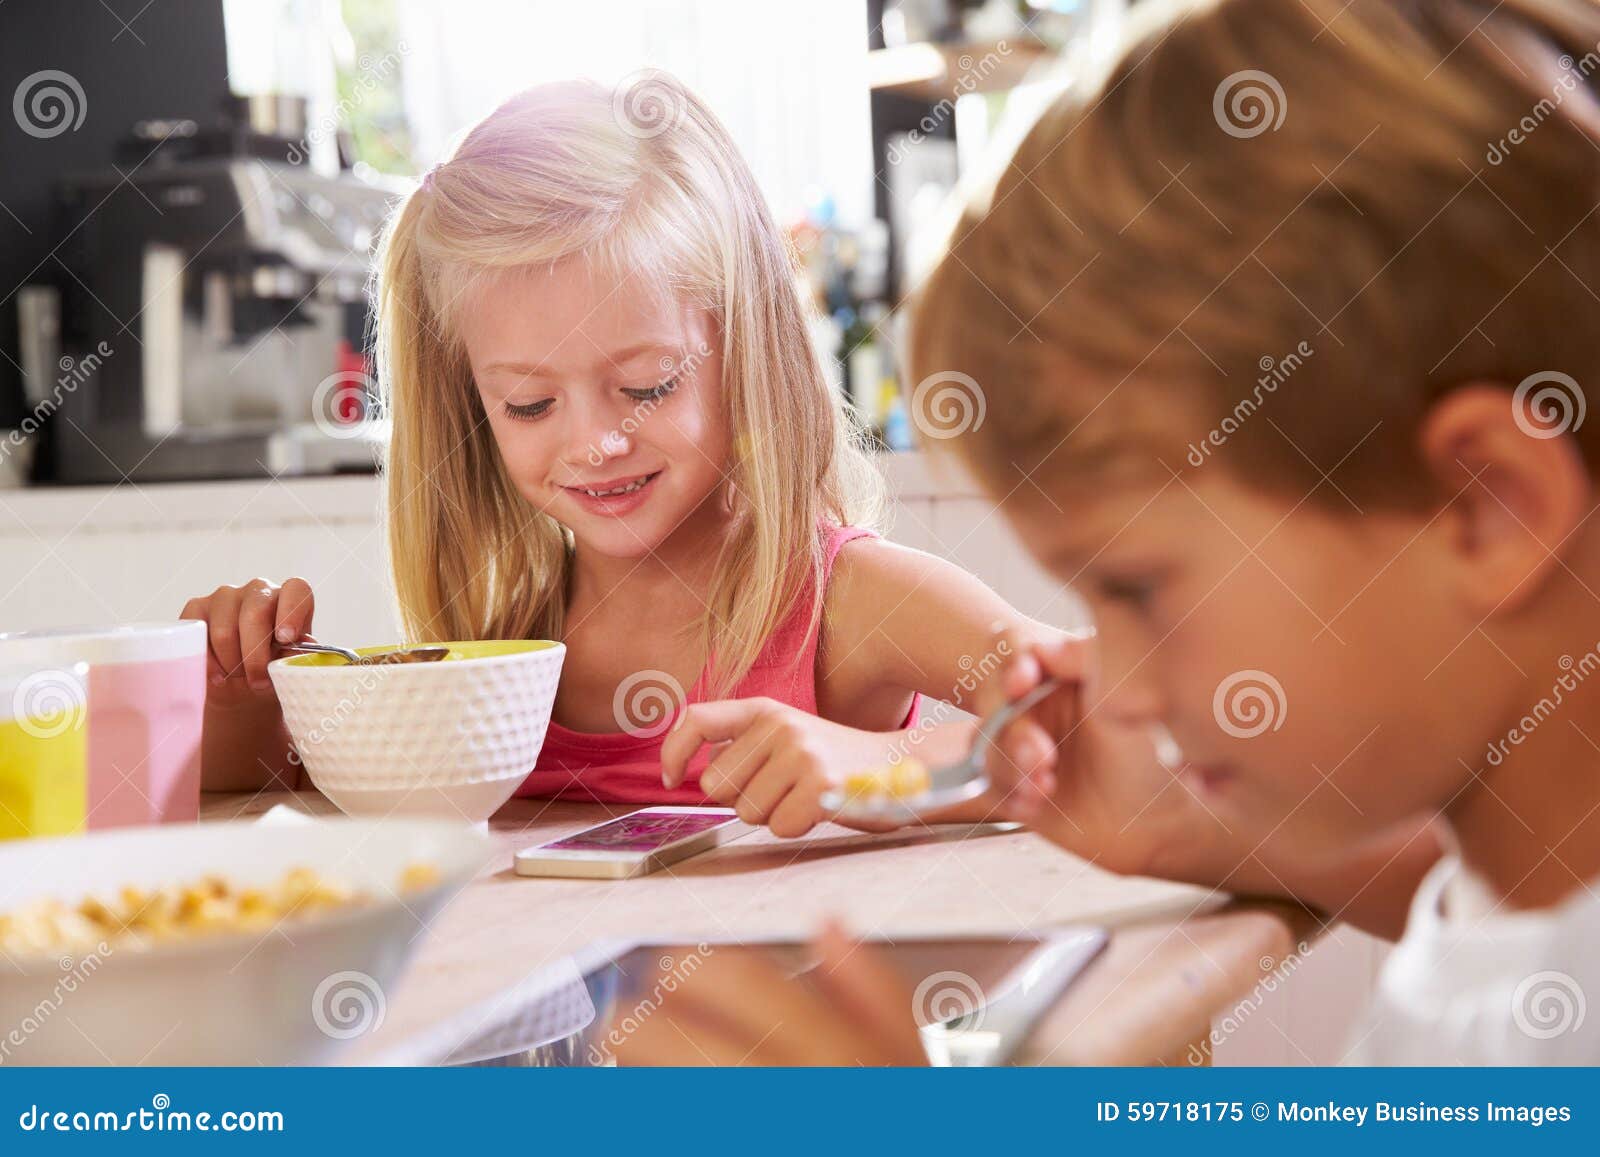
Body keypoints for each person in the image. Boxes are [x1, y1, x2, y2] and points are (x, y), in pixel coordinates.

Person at [617, 0, 1600, 1064]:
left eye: (1135, 587)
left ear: (1486, 508)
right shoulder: (1509, 903)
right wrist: (1186, 825)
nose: (1120, 688)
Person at [183, 72, 1057, 837]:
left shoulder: (842, 604)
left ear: (743, 351)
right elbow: (256, 799)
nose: (594, 443)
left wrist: (881, 771)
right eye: (529, 403)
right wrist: (237, 697)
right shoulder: (500, 642)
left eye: (647, 387)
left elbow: (1113, 719)